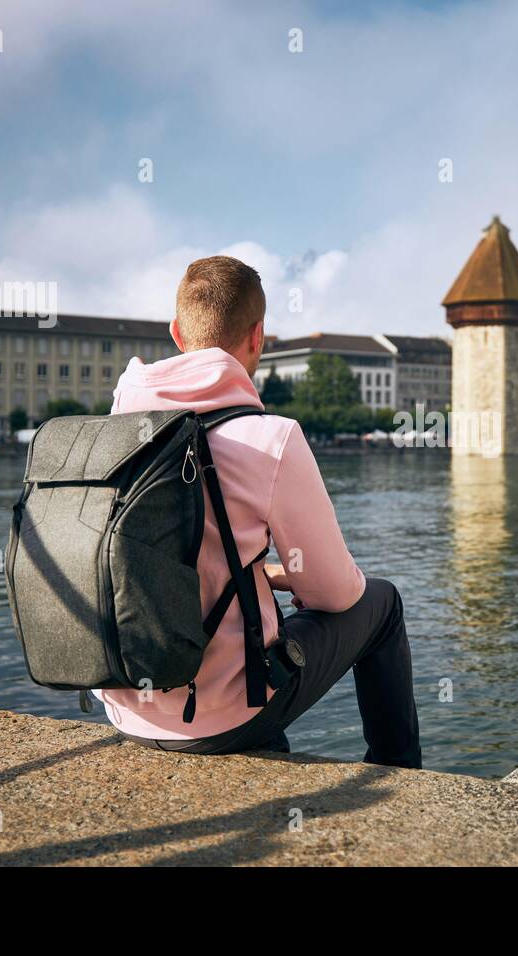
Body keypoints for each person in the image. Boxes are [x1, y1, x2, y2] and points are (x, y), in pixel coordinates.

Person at [93, 255, 421, 769]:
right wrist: (293, 575)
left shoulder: (111, 429)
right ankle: (400, 774)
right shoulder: (270, 437)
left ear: (177, 333)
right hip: (225, 716)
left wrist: (254, 575)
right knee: (381, 602)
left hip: (123, 707)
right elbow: (335, 594)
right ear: (258, 337)